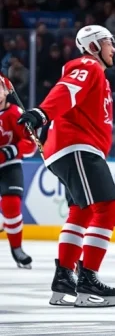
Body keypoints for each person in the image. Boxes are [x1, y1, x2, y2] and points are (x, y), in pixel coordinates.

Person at [18, 25, 115, 307]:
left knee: (82, 209)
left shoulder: (94, 71)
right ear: (92, 46)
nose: (114, 48)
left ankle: (63, 280)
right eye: (108, 42)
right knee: (109, 208)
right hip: (77, 146)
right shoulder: (87, 64)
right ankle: (88, 280)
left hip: (72, 148)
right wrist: (41, 113)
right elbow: (67, 90)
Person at [0, 75, 36, 268]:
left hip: (8, 165)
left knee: (12, 204)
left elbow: (31, 143)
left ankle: (17, 249)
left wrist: (14, 150)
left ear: (6, 91)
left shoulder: (15, 113)